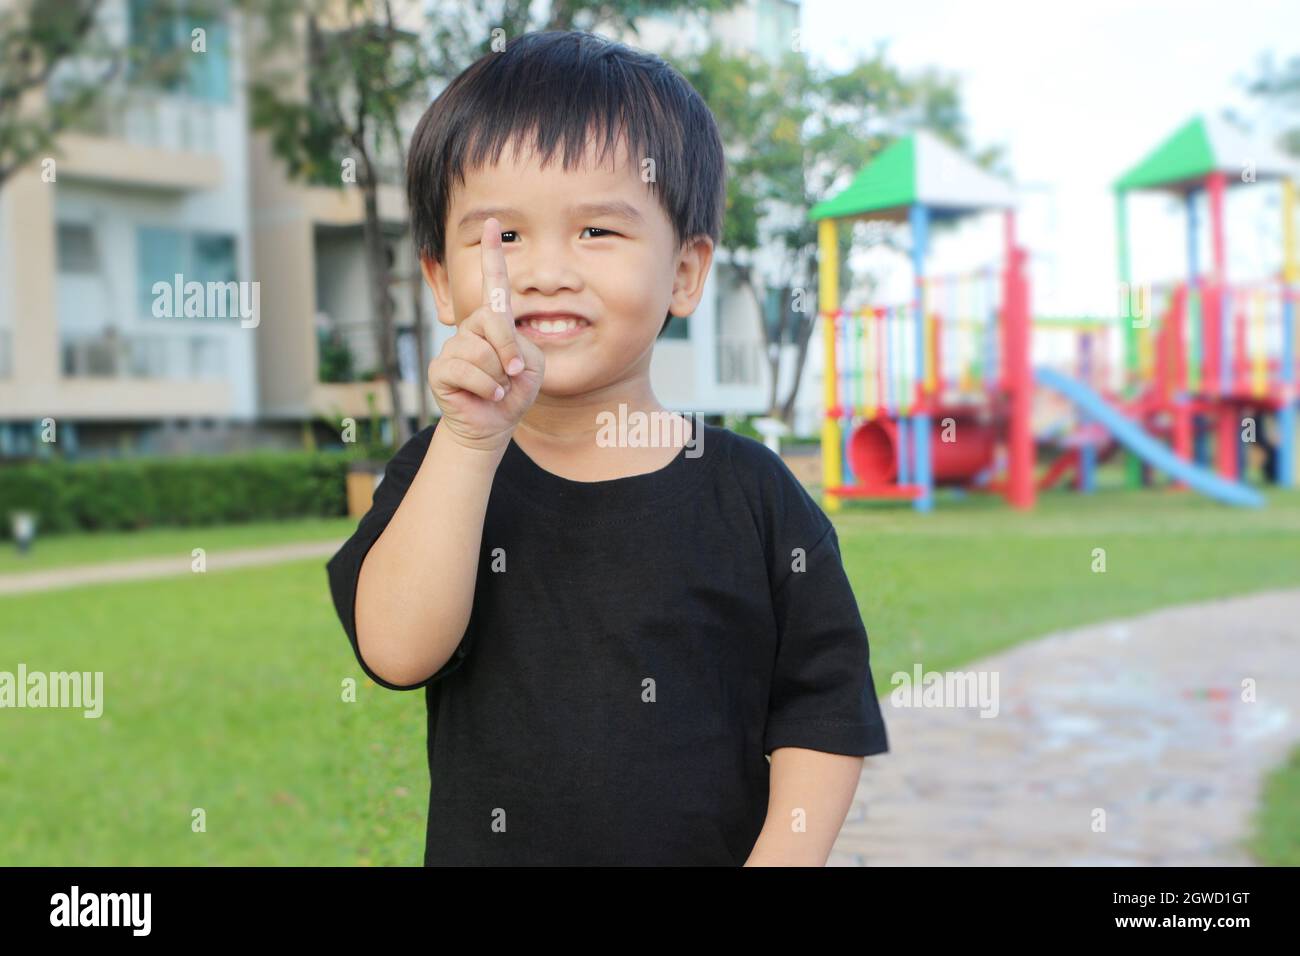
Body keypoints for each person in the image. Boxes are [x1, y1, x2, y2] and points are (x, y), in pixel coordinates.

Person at [325, 29, 888, 867]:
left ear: (686, 272)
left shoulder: (756, 498)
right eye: (503, 239)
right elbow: (399, 652)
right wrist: (473, 442)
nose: (548, 270)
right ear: (442, 280)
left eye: (596, 231)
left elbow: (822, 711)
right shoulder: (441, 471)